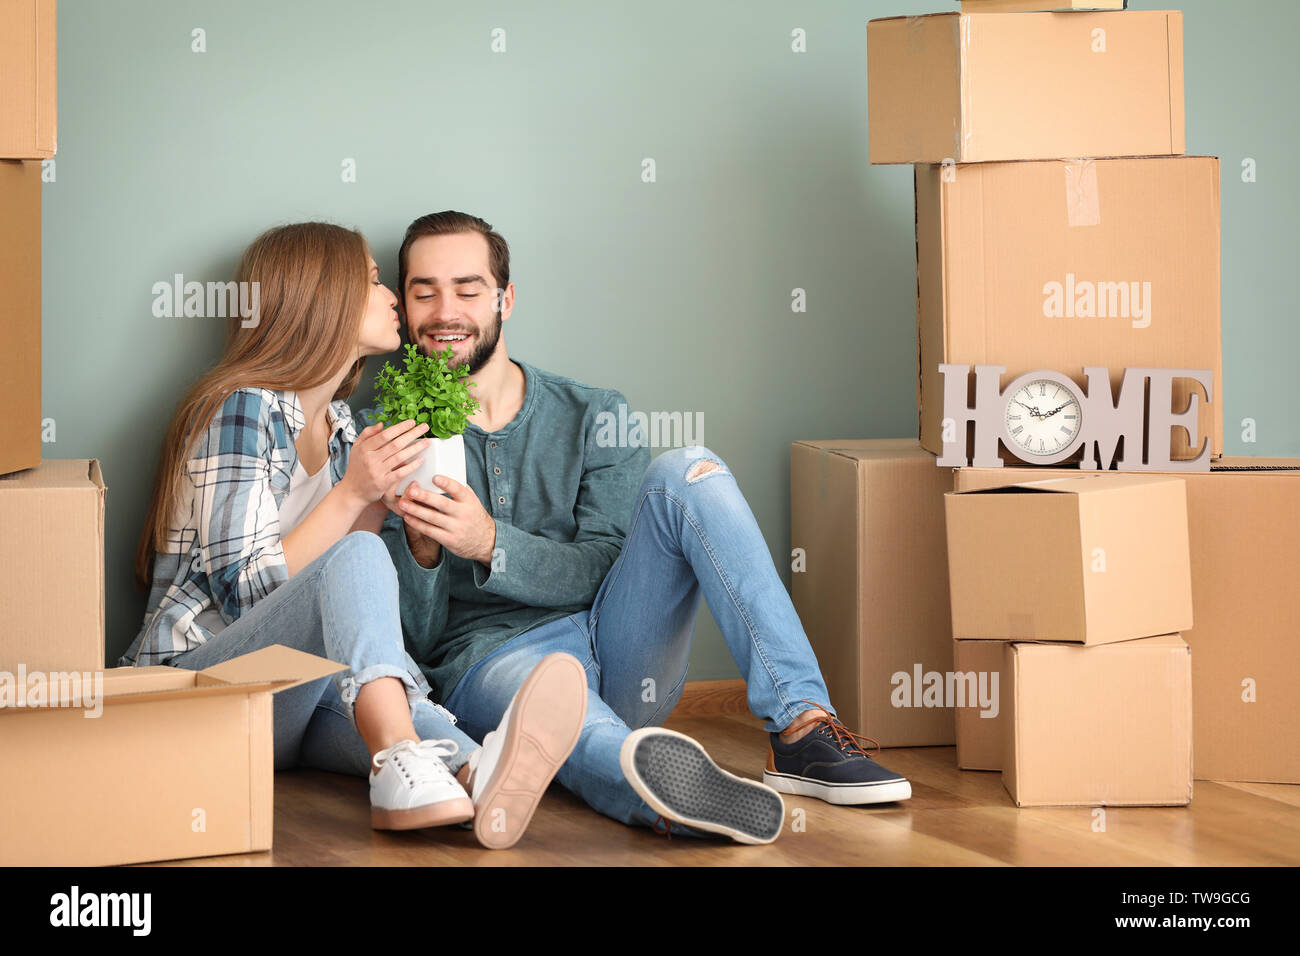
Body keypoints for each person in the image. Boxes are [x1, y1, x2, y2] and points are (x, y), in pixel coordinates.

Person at [363, 211, 913, 845]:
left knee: (689, 470)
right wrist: (425, 547)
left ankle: (803, 729)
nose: (444, 311)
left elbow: (604, 564)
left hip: (619, 646)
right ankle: (664, 793)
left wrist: (490, 543)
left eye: (467, 288)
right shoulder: (385, 433)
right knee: (576, 727)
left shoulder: (594, 413)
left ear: (504, 299)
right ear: (404, 302)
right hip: (491, 662)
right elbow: (418, 642)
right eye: (423, 291)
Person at [121, 221, 588, 850]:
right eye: (372, 281)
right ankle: (405, 755)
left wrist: (382, 502)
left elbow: (345, 606)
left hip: (284, 708)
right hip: (199, 692)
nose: (393, 296)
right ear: (325, 298)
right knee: (360, 558)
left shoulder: (343, 428)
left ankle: (474, 769)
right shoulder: (241, 407)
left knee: (422, 726)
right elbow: (243, 593)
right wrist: (352, 497)